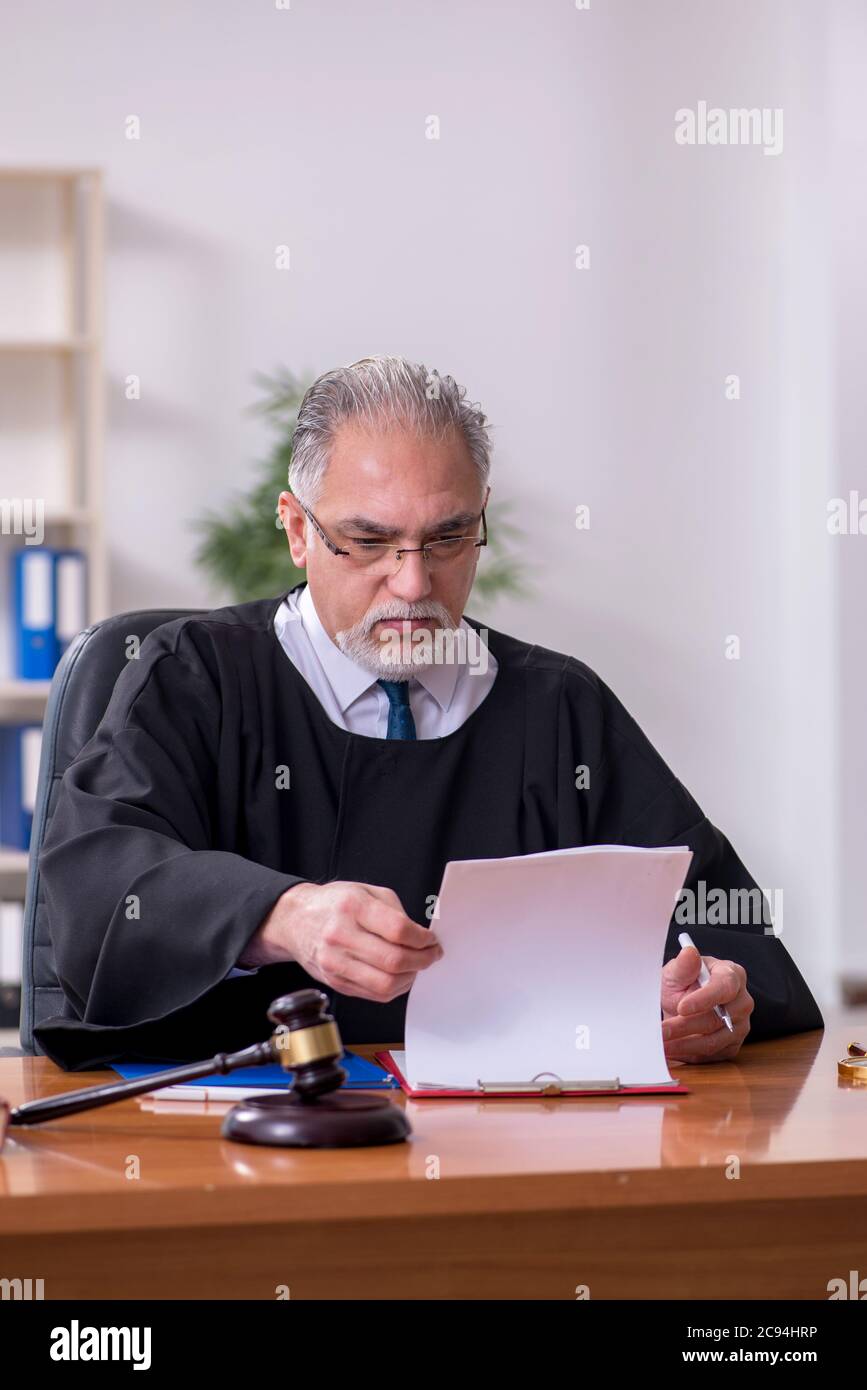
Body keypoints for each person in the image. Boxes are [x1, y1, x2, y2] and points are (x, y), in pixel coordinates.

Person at [35, 356, 823, 1070]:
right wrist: (280, 915)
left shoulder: (556, 708)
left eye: (448, 539)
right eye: (368, 542)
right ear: (297, 529)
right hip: (240, 1153)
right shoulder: (193, 678)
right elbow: (97, 894)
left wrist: (709, 998)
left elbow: (721, 922)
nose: (412, 585)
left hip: (515, 1156)